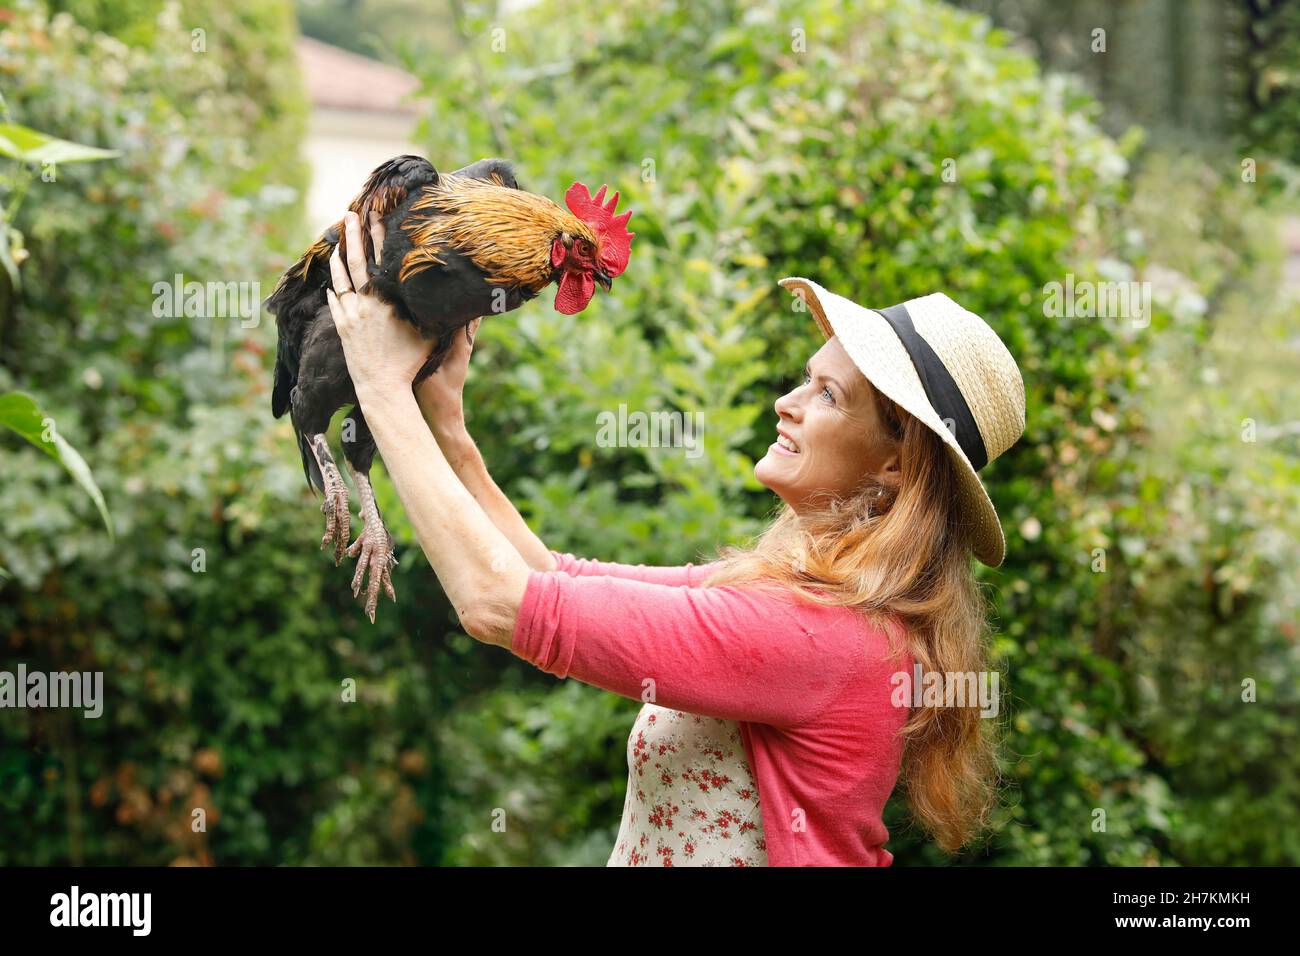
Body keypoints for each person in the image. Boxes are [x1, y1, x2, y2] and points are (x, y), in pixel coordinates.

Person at [324, 209, 1026, 866]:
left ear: (898, 463)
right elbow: (555, 580)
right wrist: (450, 429)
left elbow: (498, 604)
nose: (787, 403)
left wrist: (382, 387)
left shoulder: (818, 634)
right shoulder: (799, 595)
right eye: (807, 381)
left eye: (829, 396)